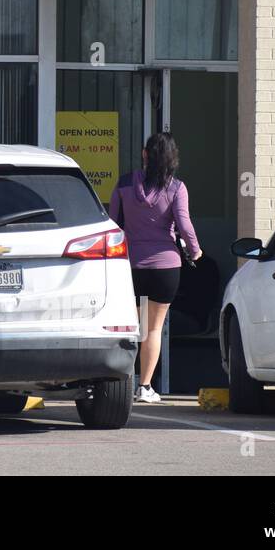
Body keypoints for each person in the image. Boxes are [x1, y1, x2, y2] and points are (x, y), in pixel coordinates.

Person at [107, 132, 201, 404]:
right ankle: (145, 387)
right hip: (164, 268)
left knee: (131, 328)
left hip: (131, 266)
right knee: (153, 329)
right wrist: (195, 251)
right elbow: (184, 225)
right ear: (173, 158)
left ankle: (123, 381)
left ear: (145, 154)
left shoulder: (124, 184)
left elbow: (114, 224)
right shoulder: (176, 188)